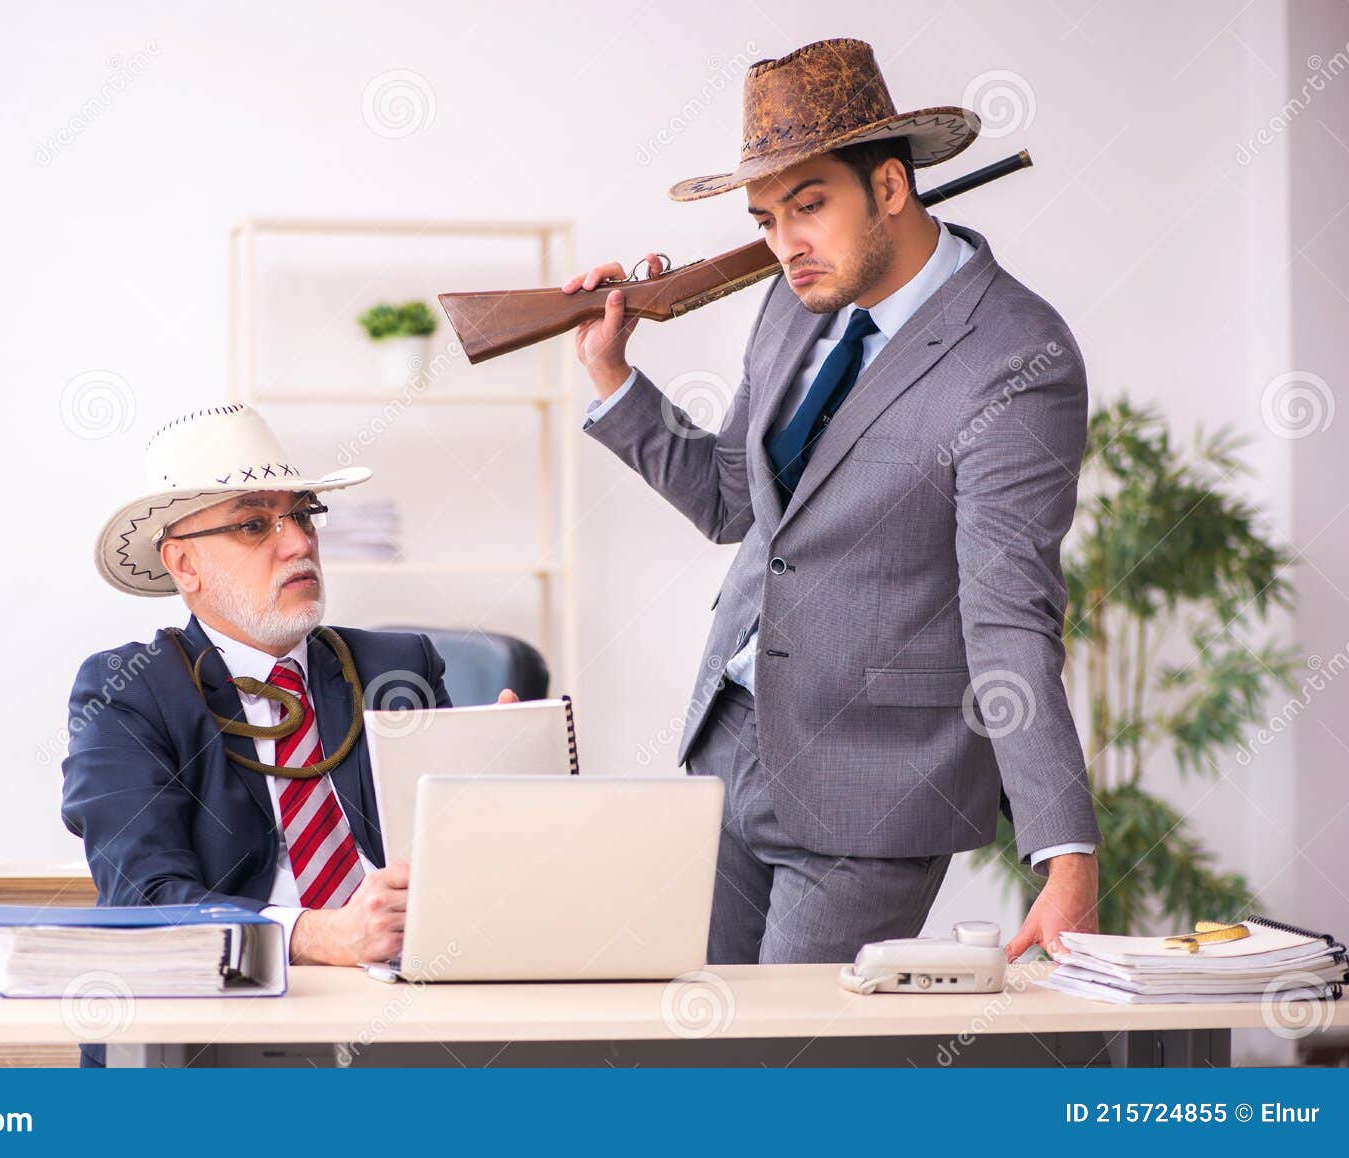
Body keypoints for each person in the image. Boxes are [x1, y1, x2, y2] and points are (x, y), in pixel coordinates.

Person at [568, 38, 1101, 965]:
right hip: (728, 745)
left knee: (798, 1049)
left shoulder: (1018, 357)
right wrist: (612, 375)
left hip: (874, 784)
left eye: (809, 206)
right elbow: (733, 501)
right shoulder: (794, 301)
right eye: (767, 218)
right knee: (690, 1033)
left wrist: (1067, 856)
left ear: (890, 186)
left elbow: (1009, 615)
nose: (786, 245)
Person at [62, 402, 516, 982]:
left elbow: (456, 866)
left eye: (303, 515)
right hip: (243, 998)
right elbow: (143, 900)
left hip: (407, 986)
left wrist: (496, 790)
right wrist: (322, 936)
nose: (300, 543)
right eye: (254, 525)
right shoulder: (129, 691)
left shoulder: (398, 667)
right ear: (183, 563)